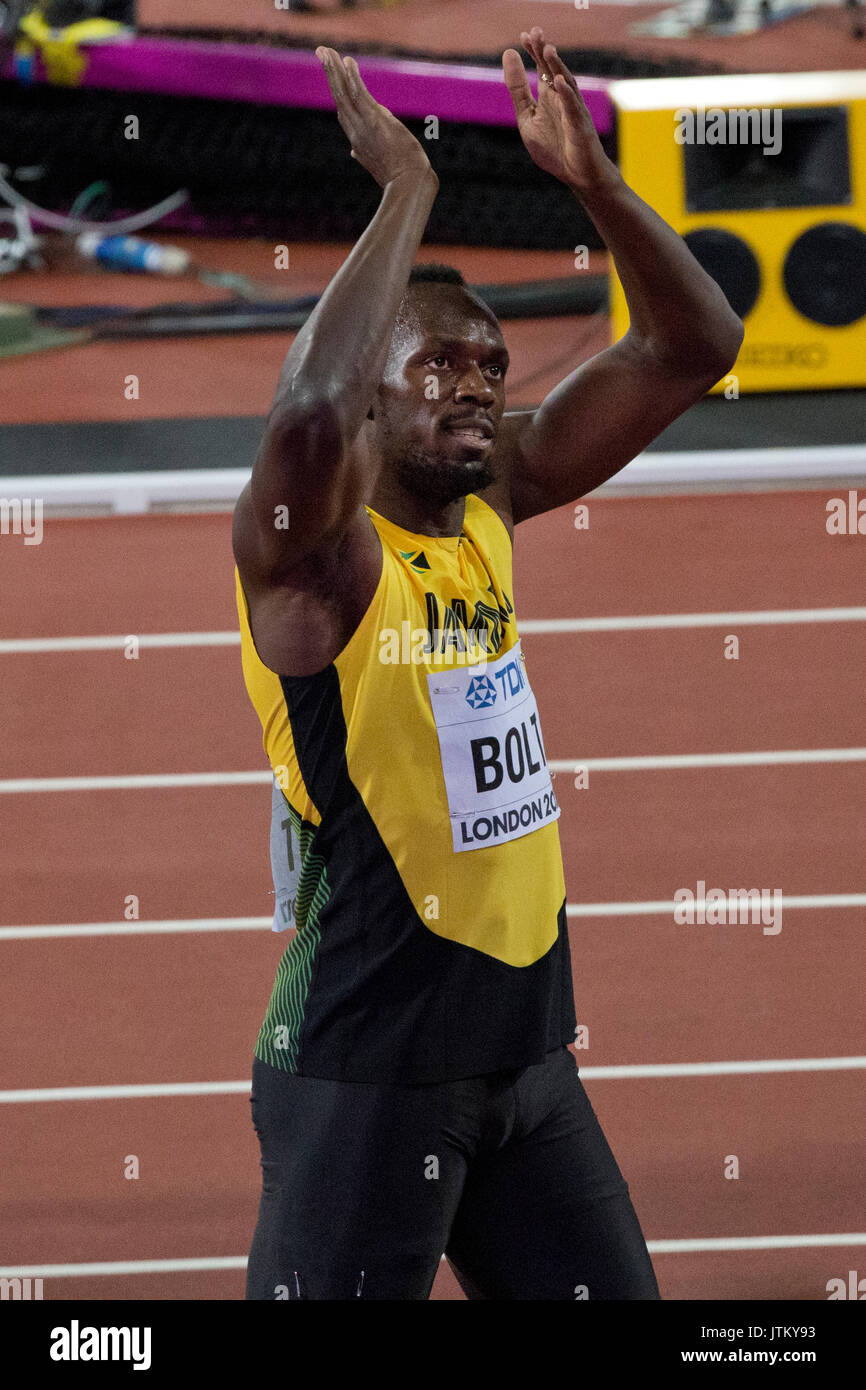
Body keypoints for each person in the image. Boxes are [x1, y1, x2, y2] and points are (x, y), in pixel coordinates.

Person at [233, 27, 743, 1300]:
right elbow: (303, 417)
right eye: (437, 366)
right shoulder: (313, 563)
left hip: (524, 1060)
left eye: (490, 368)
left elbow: (692, 349)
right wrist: (407, 192)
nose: (474, 387)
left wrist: (597, 185)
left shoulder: (489, 502)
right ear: (371, 400)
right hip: (367, 1070)